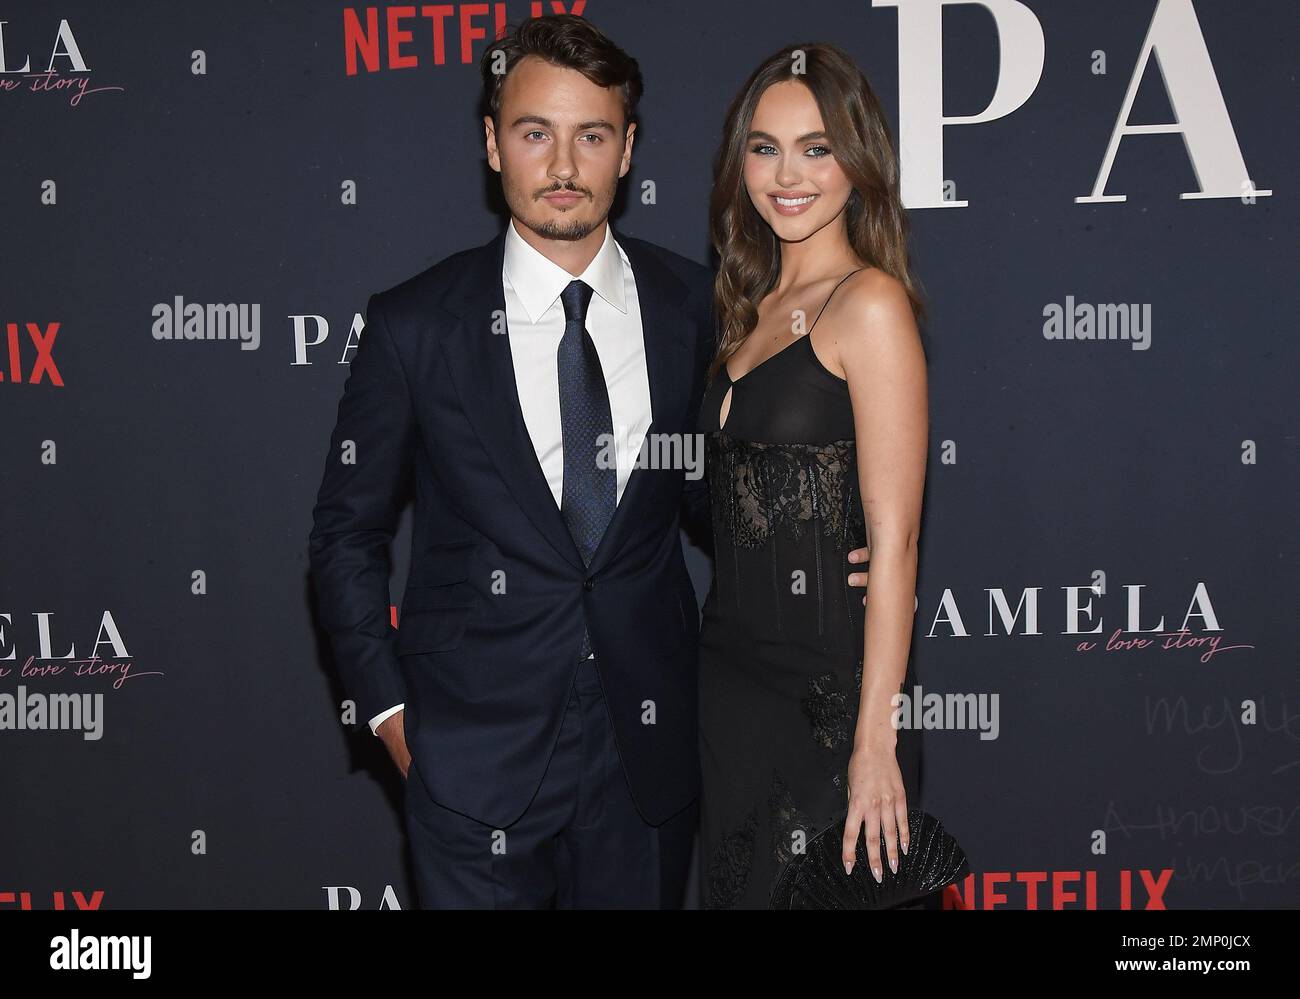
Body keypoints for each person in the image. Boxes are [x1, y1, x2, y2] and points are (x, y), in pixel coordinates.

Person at [697, 42, 930, 909]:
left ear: (856, 161)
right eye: (764, 147)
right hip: (730, 691)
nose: (786, 174)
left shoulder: (869, 304)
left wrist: (875, 740)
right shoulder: (743, 310)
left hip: (833, 700)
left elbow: (897, 537)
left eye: (816, 147)